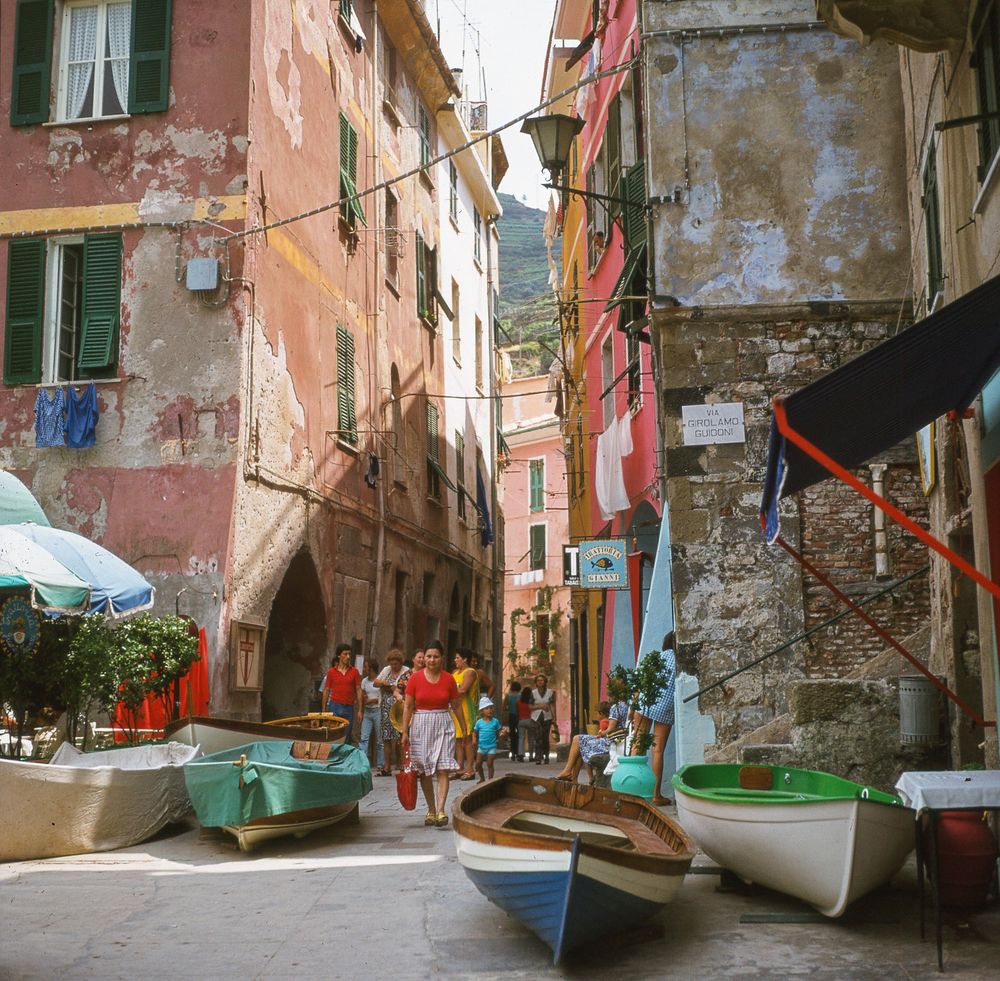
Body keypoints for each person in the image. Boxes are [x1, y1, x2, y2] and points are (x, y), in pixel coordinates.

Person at [401, 640, 468, 828]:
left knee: (443, 768)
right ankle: (430, 809)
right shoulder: (415, 679)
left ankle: (440, 810)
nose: (432, 660)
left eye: (436, 656)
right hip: (420, 725)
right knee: (424, 770)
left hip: (443, 724)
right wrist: (405, 731)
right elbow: (408, 706)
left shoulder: (449, 679)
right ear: (424, 658)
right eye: (428, 656)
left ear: (442, 658)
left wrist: (464, 728)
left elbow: (456, 705)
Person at [629, 632, 678, 807]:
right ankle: (656, 795)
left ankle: (633, 790)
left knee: (638, 745)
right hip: (665, 707)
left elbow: (639, 683)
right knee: (657, 751)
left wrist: (632, 707)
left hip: (645, 703)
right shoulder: (680, 662)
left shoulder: (657, 657)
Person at [555, 699, 628, 785]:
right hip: (618, 741)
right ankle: (573, 778)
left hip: (610, 743)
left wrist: (601, 733)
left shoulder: (616, 707)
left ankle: (568, 771)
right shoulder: (626, 705)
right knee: (580, 743)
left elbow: (610, 729)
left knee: (577, 739)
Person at [374, 649, 408, 775]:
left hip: (400, 706)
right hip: (386, 708)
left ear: (400, 662)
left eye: (396, 664)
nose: (394, 666)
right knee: (386, 737)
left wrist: (396, 689)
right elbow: (375, 683)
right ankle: (387, 766)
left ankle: (402, 764)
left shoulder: (406, 671)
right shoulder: (386, 670)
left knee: (401, 737)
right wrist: (384, 682)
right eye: (392, 664)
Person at [321, 643, 363, 743]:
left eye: (349, 654)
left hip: (349, 707)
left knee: (347, 734)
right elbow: (326, 690)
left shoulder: (354, 671)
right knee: (334, 733)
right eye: (345, 654)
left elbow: (358, 690)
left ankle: (345, 752)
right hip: (335, 706)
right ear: (339, 655)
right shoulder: (331, 672)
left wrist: (360, 710)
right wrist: (323, 709)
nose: (348, 657)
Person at [451, 648, 480, 780]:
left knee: (467, 738)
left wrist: (446, 691)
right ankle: (460, 767)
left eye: (458, 657)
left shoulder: (470, 672)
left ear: (465, 659)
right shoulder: (455, 673)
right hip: (455, 708)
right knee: (458, 739)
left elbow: (462, 690)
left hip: (467, 708)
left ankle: (470, 769)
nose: (455, 660)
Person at [359, 658, 384, 771]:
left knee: (380, 740)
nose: (364, 669)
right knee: (364, 738)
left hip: (378, 711)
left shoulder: (379, 681)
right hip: (367, 712)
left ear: (371, 669)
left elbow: (382, 697)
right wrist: (361, 708)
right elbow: (363, 696)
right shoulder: (364, 681)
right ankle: (363, 764)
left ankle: (380, 764)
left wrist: (372, 700)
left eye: (366, 667)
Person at [473, 696, 502, 782]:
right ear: (482, 711)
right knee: (478, 764)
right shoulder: (479, 722)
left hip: (492, 746)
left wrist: (502, 735)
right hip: (481, 747)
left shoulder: (495, 721)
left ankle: (490, 780)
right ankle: (482, 778)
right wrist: (474, 739)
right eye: (487, 708)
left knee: (490, 763)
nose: (489, 710)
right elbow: (475, 732)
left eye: (491, 708)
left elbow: (498, 733)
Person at [529, 673, 556, 765]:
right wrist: (540, 706)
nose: (540, 682)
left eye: (541, 680)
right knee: (538, 737)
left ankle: (546, 755)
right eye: (538, 680)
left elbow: (552, 705)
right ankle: (538, 757)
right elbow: (530, 706)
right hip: (536, 717)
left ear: (545, 682)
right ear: (536, 682)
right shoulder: (533, 693)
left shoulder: (550, 692)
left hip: (547, 717)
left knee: (545, 738)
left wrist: (554, 717)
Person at [516, 686, 535, 763]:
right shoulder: (531, 703)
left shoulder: (518, 702)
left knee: (521, 738)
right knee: (531, 738)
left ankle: (521, 754)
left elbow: (517, 713)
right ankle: (531, 756)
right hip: (530, 720)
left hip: (521, 721)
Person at [505, 680, 522, 760]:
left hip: (511, 716)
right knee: (519, 734)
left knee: (512, 735)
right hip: (519, 716)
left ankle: (513, 753)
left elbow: (504, 706)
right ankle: (519, 752)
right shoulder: (521, 696)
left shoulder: (508, 695)